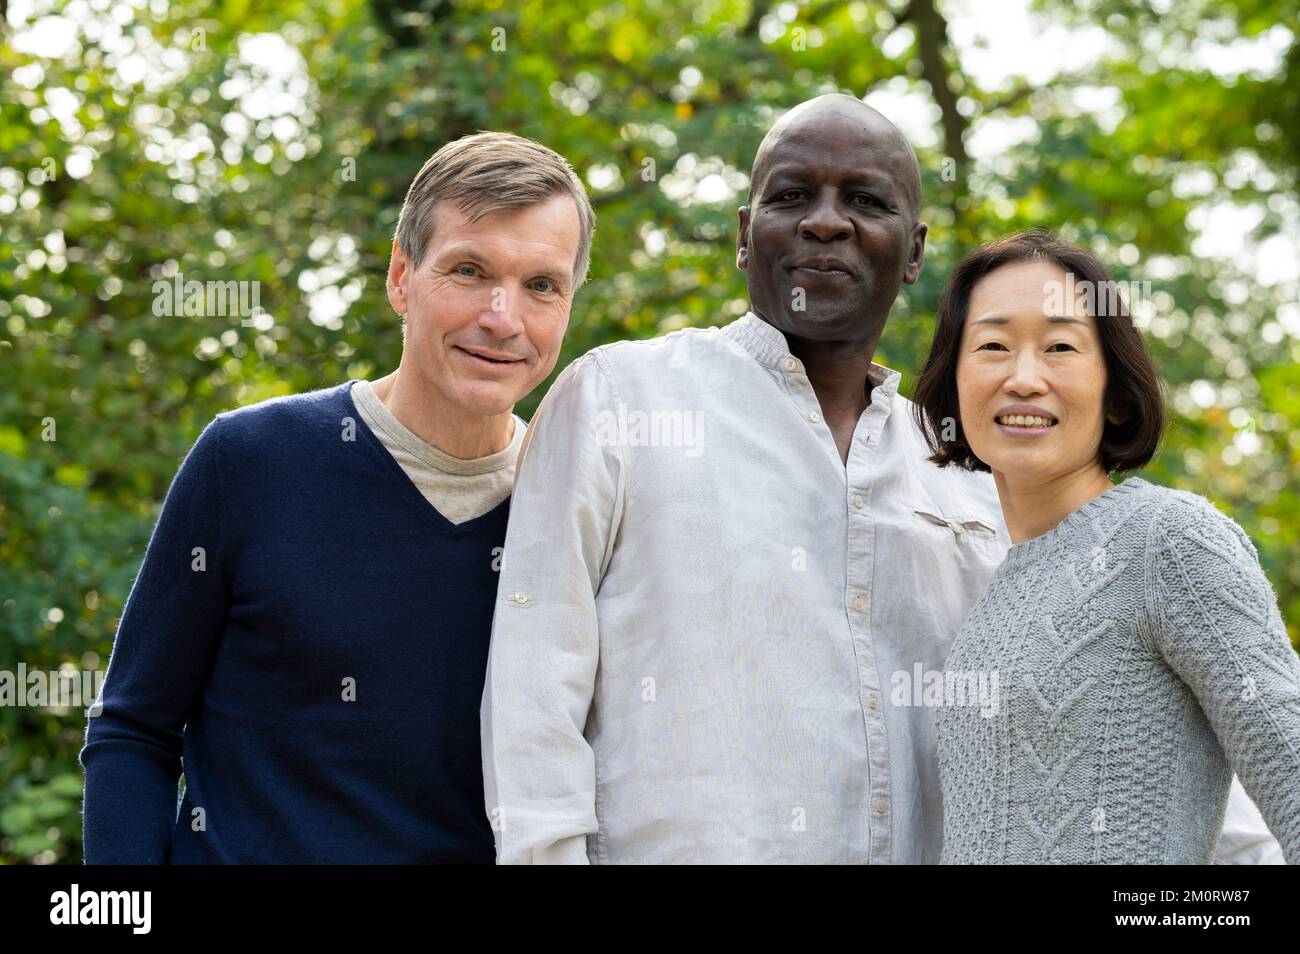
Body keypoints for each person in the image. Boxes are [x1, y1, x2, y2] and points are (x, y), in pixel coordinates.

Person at [479, 94, 1280, 863]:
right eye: (792, 194)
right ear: (742, 232)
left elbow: (1163, 731)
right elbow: (532, 690)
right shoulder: (622, 398)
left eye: (865, 199)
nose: (826, 221)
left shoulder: (970, 466)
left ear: (916, 251)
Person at [80, 131, 595, 863]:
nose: (502, 318)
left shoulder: (576, 506)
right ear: (400, 277)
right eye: (469, 270)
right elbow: (134, 727)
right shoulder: (250, 461)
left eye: (541, 285)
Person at [913, 229, 1300, 863]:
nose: (1024, 377)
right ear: (954, 387)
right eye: (992, 345)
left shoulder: (1168, 540)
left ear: (1116, 394)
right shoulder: (989, 597)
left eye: (1060, 346)